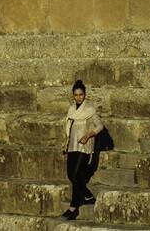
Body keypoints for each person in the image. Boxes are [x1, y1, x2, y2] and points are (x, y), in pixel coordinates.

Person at [62, 80, 104, 220]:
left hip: (84, 146)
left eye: (81, 94)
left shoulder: (89, 110)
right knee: (71, 175)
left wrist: (88, 135)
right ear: (73, 95)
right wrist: (66, 143)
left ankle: (73, 208)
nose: (78, 97)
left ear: (85, 94)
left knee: (75, 173)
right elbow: (69, 127)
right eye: (76, 95)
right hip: (72, 145)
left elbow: (99, 126)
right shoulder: (72, 109)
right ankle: (87, 195)